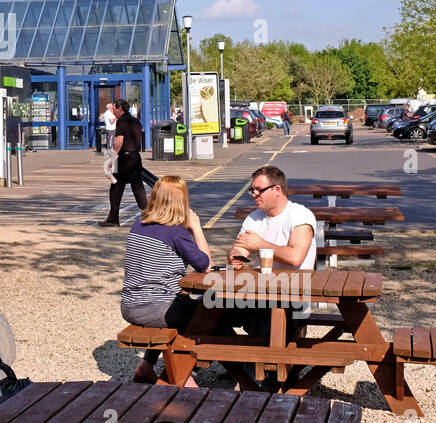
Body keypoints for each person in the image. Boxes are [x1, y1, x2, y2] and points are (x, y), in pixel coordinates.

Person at [218, 165, 317, 358]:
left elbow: (295, 257)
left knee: (266, 318)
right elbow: (240, 248)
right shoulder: (254, 218)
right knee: (207, 307)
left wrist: (262, 244)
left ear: (277, 190)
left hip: (293, 294)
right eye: (252, 190)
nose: (254, 194)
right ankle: (241, 367)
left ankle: (257, 372)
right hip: (259, 292)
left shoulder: (300, 216)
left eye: (259, 190)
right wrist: (236, 257)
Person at [120, 176, 212, 384]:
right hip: (155, 308)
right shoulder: (176, 231)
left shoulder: (139, 223)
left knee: (184, 307)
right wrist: (196, 227)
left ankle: (146, 366)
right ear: (182, 202)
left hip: (129, 305)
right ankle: (184, 377)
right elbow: (205, 265)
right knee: (210, 312)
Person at [99, 99, 147, 227]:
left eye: (114, 108)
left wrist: (112, 159)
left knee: (115, 187)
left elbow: (119, 141)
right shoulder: (136, 121)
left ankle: (113, 218)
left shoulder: (122, 121)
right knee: (138, 187)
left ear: (120, 109)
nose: (113, 111)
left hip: (124, 159)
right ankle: (148, 217)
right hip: (136, 157)